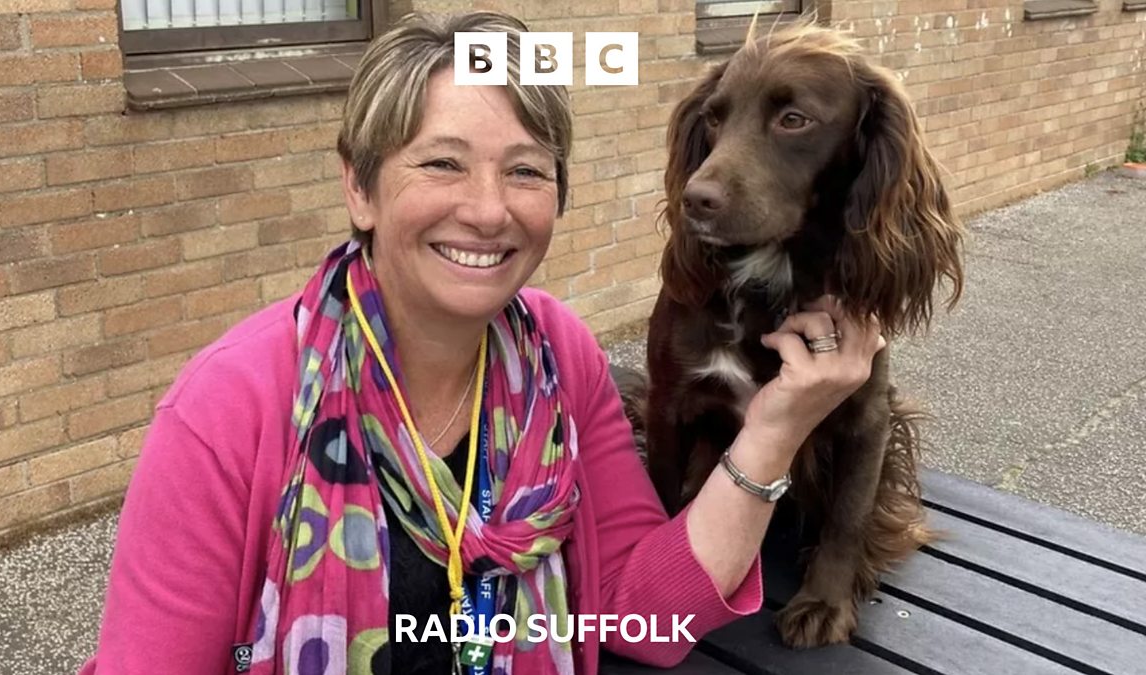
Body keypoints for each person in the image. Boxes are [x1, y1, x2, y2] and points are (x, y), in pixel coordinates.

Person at [78, 10, 885, 675]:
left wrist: (777, 427)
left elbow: (648, 611)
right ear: (358, 186)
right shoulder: (229, 407)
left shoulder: (560, 357)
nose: (490, 211)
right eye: (442, 163)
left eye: (527, 171)